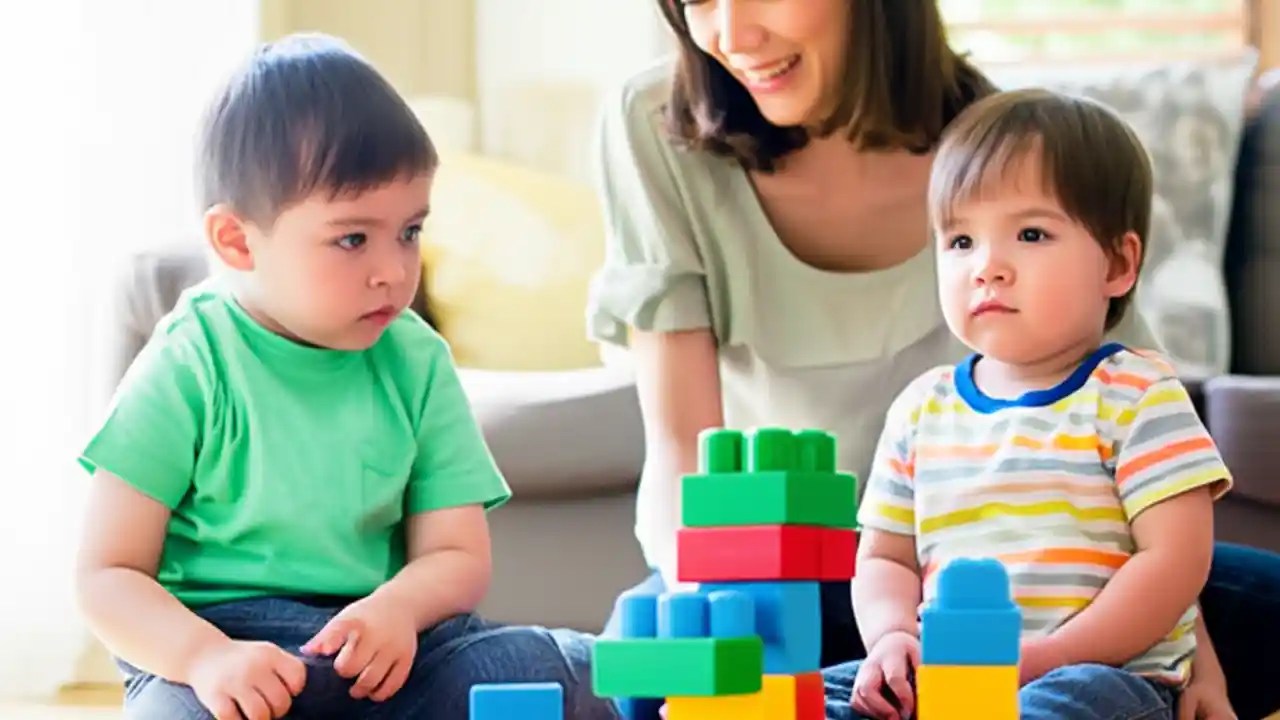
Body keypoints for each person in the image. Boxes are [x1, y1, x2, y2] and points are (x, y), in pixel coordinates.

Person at [585, 1, 1279, 718]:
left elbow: (1167, 543)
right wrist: (864, 636)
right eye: (959, 243)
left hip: (1072, 617)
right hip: (831, 580)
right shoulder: (656, 122)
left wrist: (1195, 657)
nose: (733, 35)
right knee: (661, 681)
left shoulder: (1011, 148)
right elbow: (687, 450)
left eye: (1029, 236)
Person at [73, 34, 617, 720]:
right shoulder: (189, 359)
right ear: (237, 241)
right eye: (353, 239)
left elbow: (456, 553)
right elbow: (107, 574)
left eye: (410, 231)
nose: (393, 270)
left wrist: (398, 610)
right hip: (224, 651)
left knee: (565, 670)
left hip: (387, 650)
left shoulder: (416, 359)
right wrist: (204, 658)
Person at [837, 86, 1230, 720]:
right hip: (947, 675)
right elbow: (885, 556)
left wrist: (1050, 655)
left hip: (1099, 673)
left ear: (1117, 264)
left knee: (1065, 703)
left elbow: (1175, 562)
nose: (987, 267)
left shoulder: (1137, 394)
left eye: (1030, 233)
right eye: (961, 241)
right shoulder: (920, 409)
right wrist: (890, 639)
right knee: (809, 693)